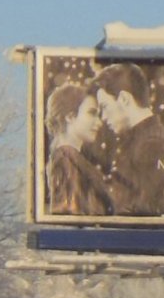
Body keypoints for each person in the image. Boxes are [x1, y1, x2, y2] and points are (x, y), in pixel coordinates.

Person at [91, 62, 164, 215]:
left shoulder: (153, 144)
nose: (103, 117)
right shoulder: (140, 138)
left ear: (124, 99)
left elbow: (144, 212)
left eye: (105, 106)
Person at [43, 82, 115, 218]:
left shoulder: (71, 159)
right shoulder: (66, 161)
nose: (99, 122)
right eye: (91, 113)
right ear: (70, 116)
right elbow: (71, 217)